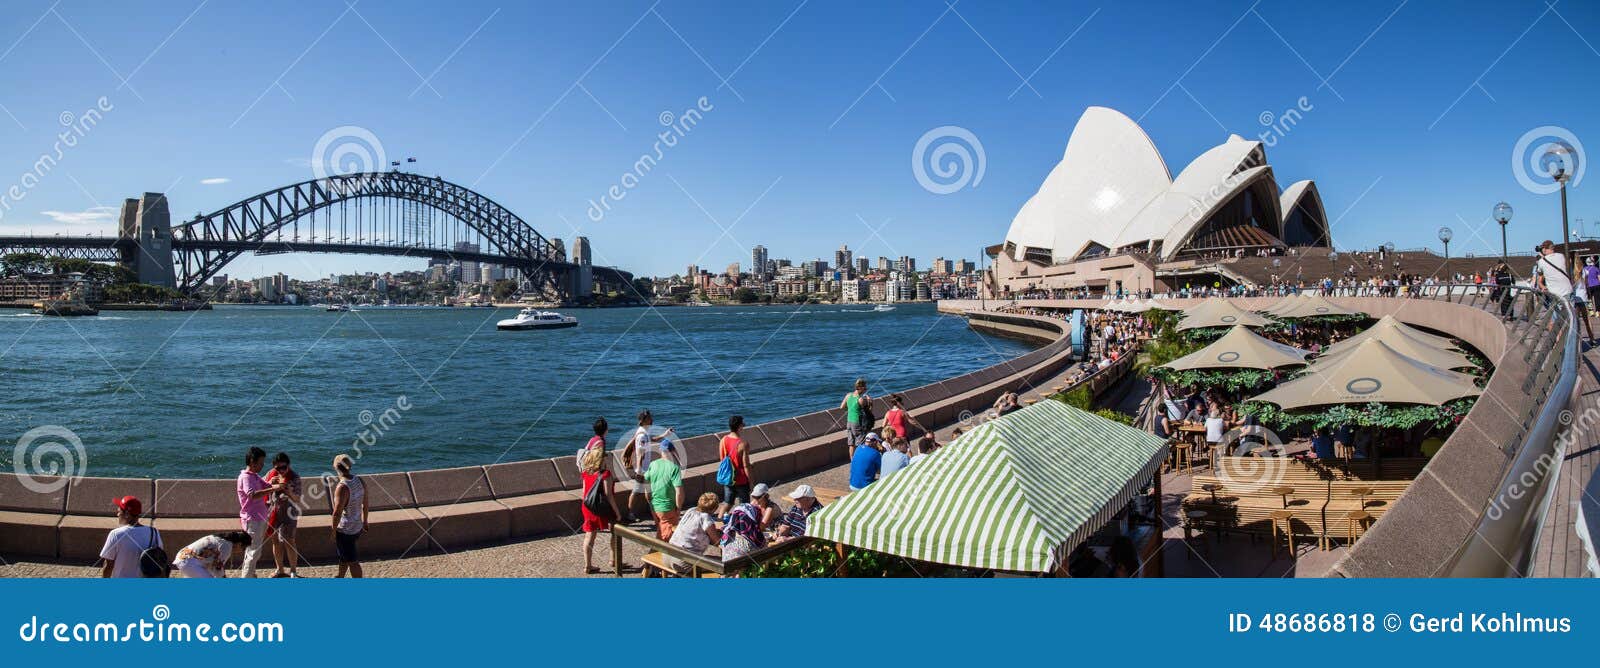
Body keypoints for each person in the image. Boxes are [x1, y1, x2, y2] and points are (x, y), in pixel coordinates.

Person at [236, 447, 283, 578]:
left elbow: (265, 485)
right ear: (252, 462)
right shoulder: (246, 477)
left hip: (259, 518)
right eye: (261, 463)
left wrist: (271, 483)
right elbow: (252, 495)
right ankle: (247, 578)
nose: (263, 466)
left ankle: (251, 574)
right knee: (253, 552)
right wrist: (273, 488)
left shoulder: (254, 476)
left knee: (254, 551)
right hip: (252, 520)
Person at [578, 447, 622, 575]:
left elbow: (584, 492)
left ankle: (588, 566)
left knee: (589, 535)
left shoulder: (586, 472)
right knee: (615, 532)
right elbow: (609, 496)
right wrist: (617, 513)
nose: (606, 461)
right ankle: (614, 560)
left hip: (588, 506)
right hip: (603, 507)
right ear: (600, 460)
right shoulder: (606, 474)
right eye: (604, 459)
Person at [624, 409, 672, 521]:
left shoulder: (643, 432)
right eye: (650, 418)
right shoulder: (642, 435)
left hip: (645, 469)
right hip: (642, 470)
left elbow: (652, 439)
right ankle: (630, 513)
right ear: (645, 420)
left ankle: (652, 511)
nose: (652, 419)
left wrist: (665, 434)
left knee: (648, 491)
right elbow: (640, 453)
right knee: (636, 491)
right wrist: (640, 470)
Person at [99, 496, 160, 578]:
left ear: (127, 514)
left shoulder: (115, 534)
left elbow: (108, 565)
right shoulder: (154, 532)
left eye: (119, 511)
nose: (117, 514)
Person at [264, 452, 303, 578]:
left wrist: (288, 490)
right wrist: (269, 483)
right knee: (275, 542)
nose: (281, 471)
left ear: (289, 465)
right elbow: (261, 488)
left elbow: (297, 499)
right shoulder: (271, 474)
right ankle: (280, 569)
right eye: (277, 468)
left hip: (289, 514)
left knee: (290, 541)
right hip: (273, 512)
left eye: (283, 467)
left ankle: (293, 571)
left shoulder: (295, 477)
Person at [330, 454, 367, 578]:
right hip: (357, 526)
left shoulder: (342, 487)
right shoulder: (359, 480)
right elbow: (365, 503)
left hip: (345, 530)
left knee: (352, 560)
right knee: (344, 555)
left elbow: (337, 513)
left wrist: (333, 531)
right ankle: (340, 576)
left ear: (336, 467)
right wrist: (365, 521)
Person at [666, 493, 722, 574]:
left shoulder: (691, 510)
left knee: (705, 559)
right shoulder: (706, 518)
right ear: (714, 509)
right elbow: (717, 541)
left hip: (667, 555)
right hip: (683, 562)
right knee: (723, 564)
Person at [643, 439, 683, 540]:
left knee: (661, 529)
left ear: (661, 450)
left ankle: (656, 552)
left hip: (655, 506)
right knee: (667, 536)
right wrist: (678, 509)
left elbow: (646, 484)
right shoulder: (674, 468)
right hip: (668, 507)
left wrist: (649, 501)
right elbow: (679, 492)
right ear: (672, 451)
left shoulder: (653, 464)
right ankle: (656, 553)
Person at [172, 532, 252, 579]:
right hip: (188, 562)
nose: (242, 551)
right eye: (244, 548)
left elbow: (215, 566)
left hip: (182, 557)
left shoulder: (220, 539)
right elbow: (217, 568)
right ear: (239, 544)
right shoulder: (227, 546)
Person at [718, 415, 751, 514]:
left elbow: (722, 459)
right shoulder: (743, 444)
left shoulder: (723, 440)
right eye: (743, 424)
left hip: (728, 477)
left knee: (727, 503)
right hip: (741, 479)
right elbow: (746, 466)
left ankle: (720, 521)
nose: (744, 425)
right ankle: (742, 525)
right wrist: (751, 482)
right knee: (744, 505)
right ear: (739, 426)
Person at [839, 379, 872, 458]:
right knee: (860, 443)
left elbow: (841, 407)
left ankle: (852, 461)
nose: (865, 390)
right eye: (865, 388)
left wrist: (850, 410)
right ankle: (859, 460)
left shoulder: (848, 395)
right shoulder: (861, 399)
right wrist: (870, 403)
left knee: (851, 444)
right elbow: (868, 412)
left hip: (849, 421)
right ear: (861, 388)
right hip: (857, 422)